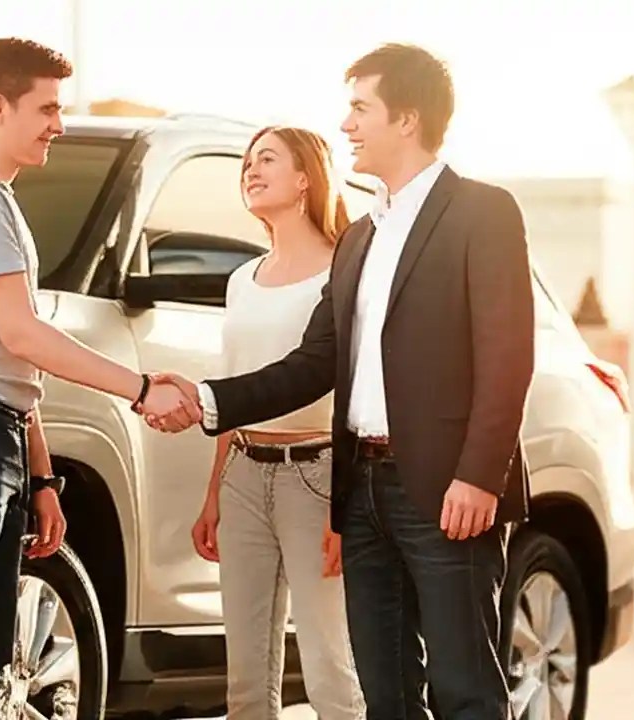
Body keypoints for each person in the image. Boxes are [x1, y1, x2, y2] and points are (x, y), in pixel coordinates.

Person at [150, 43, 535, 720]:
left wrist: (478, 474)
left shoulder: (483, 211)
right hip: (362, 494)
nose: (348, 124)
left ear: (408, 119)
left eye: (361, 108)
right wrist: (209, 400)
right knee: (386, 694)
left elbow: (507, 356)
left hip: (449, 491)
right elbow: (313, 362)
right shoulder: (360, 237)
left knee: (465, 689)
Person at [0, 37, 196, 720]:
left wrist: (44, 477)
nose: (59, 124)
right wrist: (140, 390)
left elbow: (9, 362)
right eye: (47, 107)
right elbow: (22, 334)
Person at [191, 126, 365, 720]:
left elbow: (350, 392)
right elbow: (235, 386)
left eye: (267, 158)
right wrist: (215, 492)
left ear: (304, 179)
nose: (250, 169)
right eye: (246, 160)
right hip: (242, 474)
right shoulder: (243, 279)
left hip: (315, 477)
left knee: (329, 670)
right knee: (245, 678)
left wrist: (344, 508)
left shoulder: (343, 272)